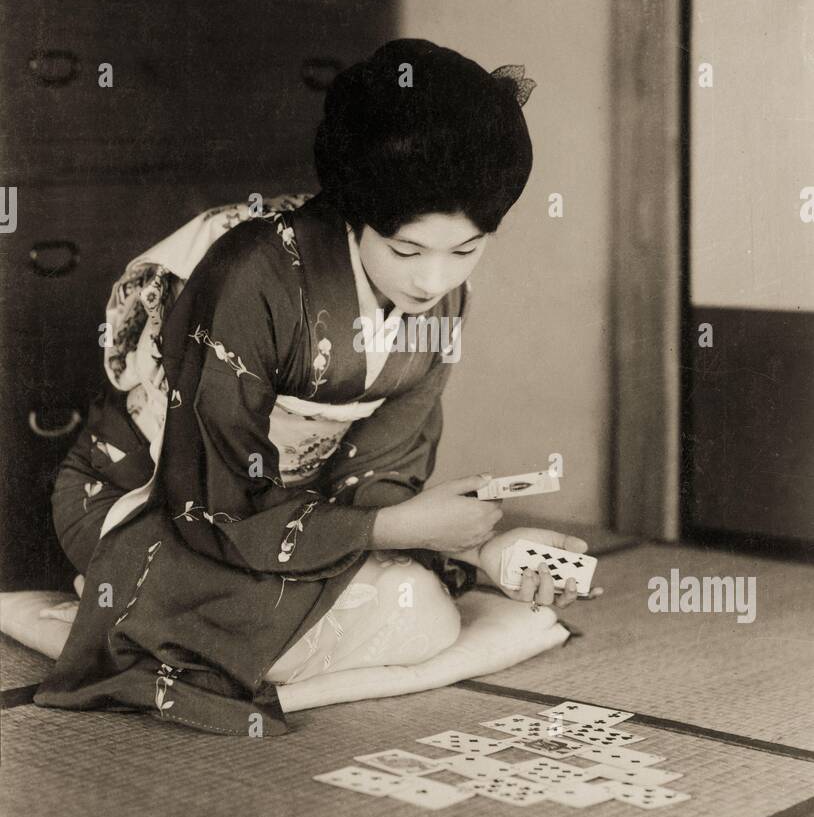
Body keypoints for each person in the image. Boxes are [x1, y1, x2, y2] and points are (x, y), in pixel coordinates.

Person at [35, 39, 593, 736]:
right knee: (414, 614)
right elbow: (212, 495)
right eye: (408, 251)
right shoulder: (252, 276)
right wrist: (391, 531)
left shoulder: (438, 300)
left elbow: (380, 470)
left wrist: (484, 550)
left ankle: (188, 622)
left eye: (467, 250)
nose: (434, 281)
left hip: (296, 512)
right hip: (157, 500)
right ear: (357, 210)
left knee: (415, 604)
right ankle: (132, 604)